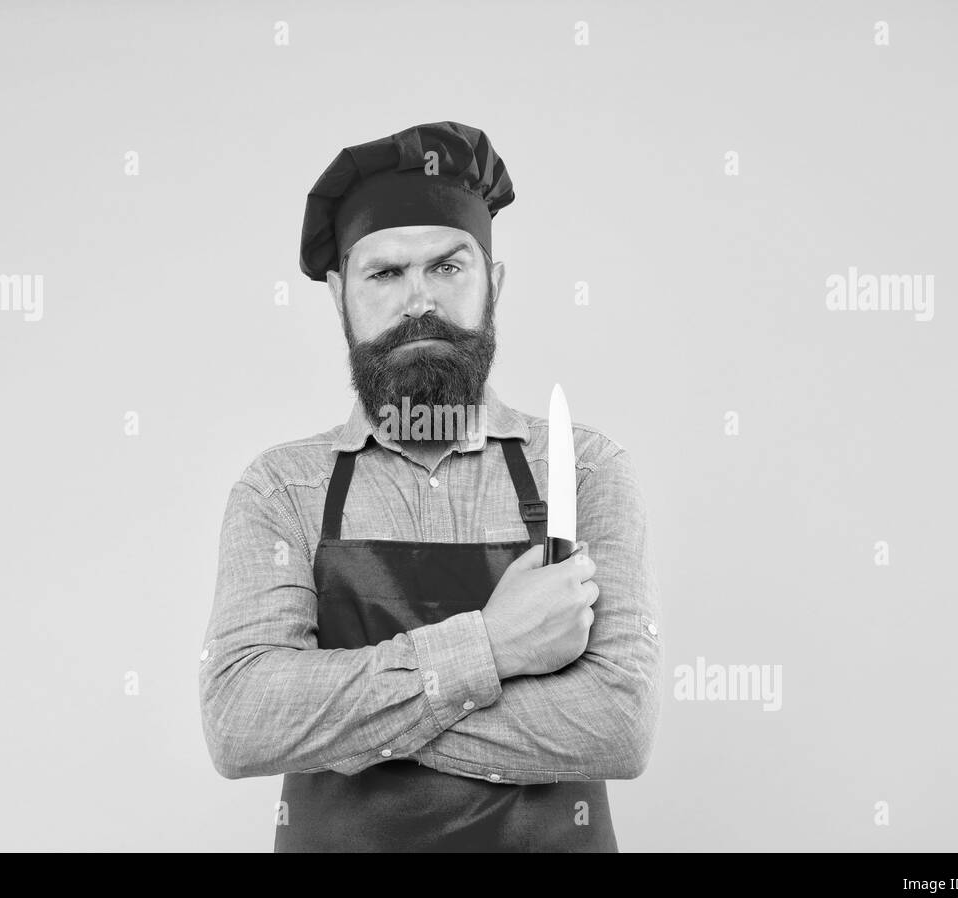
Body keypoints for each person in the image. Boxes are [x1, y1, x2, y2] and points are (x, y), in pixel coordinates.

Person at [199, 120, 663, 852]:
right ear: (338, 296)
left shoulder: (583, 470)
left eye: (449, 267)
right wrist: (496, 646)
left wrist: (347, 723)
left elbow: (617, 726)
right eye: (385, 273)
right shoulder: (281, 489)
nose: (419, 301)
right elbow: (242, 720)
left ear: (495, 285)